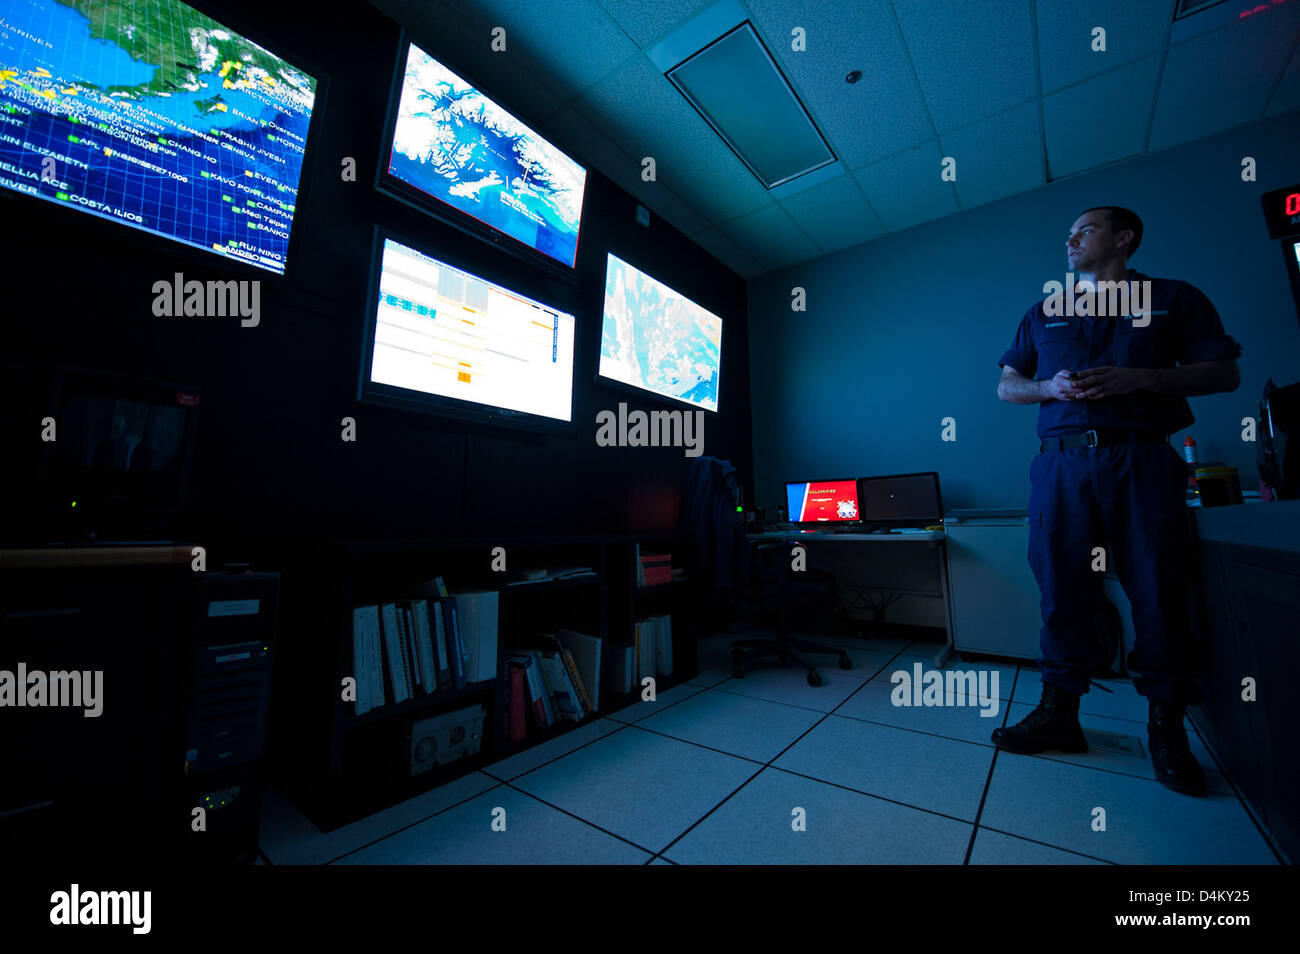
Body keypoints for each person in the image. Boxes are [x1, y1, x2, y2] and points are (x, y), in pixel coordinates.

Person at [993, 206, 1242, 795]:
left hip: (1141, 458)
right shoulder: (1044, 311)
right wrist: (1047, 388)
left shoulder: (1173, 298)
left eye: (1083, 230)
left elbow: (1225, 372)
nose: (1070, 240)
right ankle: (1060, 715)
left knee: (1158, 589)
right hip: (1060, 464)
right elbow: (1007, 386)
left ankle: (1166, 730)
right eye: (1068, 232)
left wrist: (1144, 380)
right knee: (1061, 589)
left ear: (1123, 238)